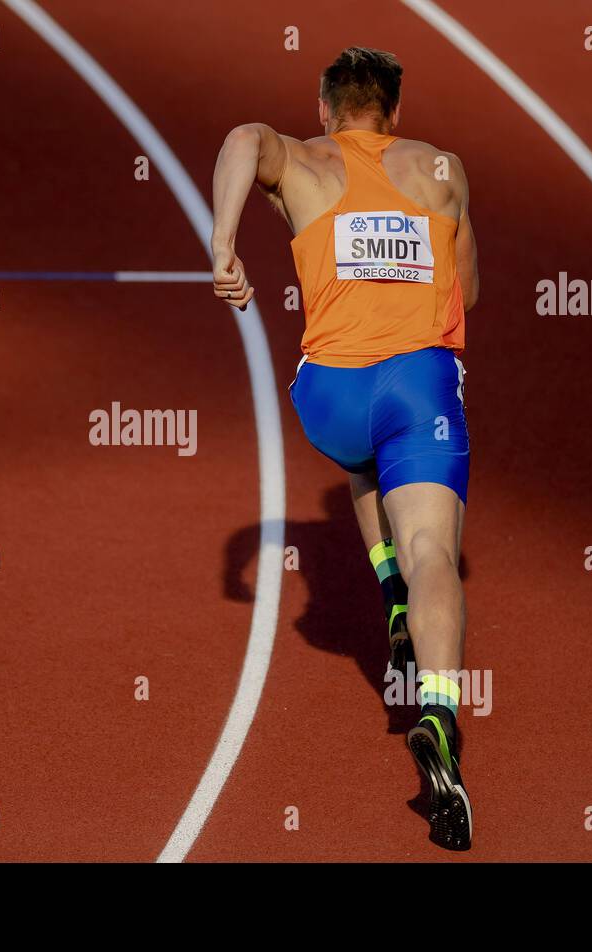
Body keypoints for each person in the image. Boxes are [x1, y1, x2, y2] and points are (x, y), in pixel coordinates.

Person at [210, 46, 479, 850]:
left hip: (330, 395)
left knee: (361, 450)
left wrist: (224, 243)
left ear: (324, 109)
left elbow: (240, 140)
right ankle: (436, 710)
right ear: (393, 113)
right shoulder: (442, 168)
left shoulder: (302, 158)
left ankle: (386, 584)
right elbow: (471, 290)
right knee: (437, 546)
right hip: (420, 386)